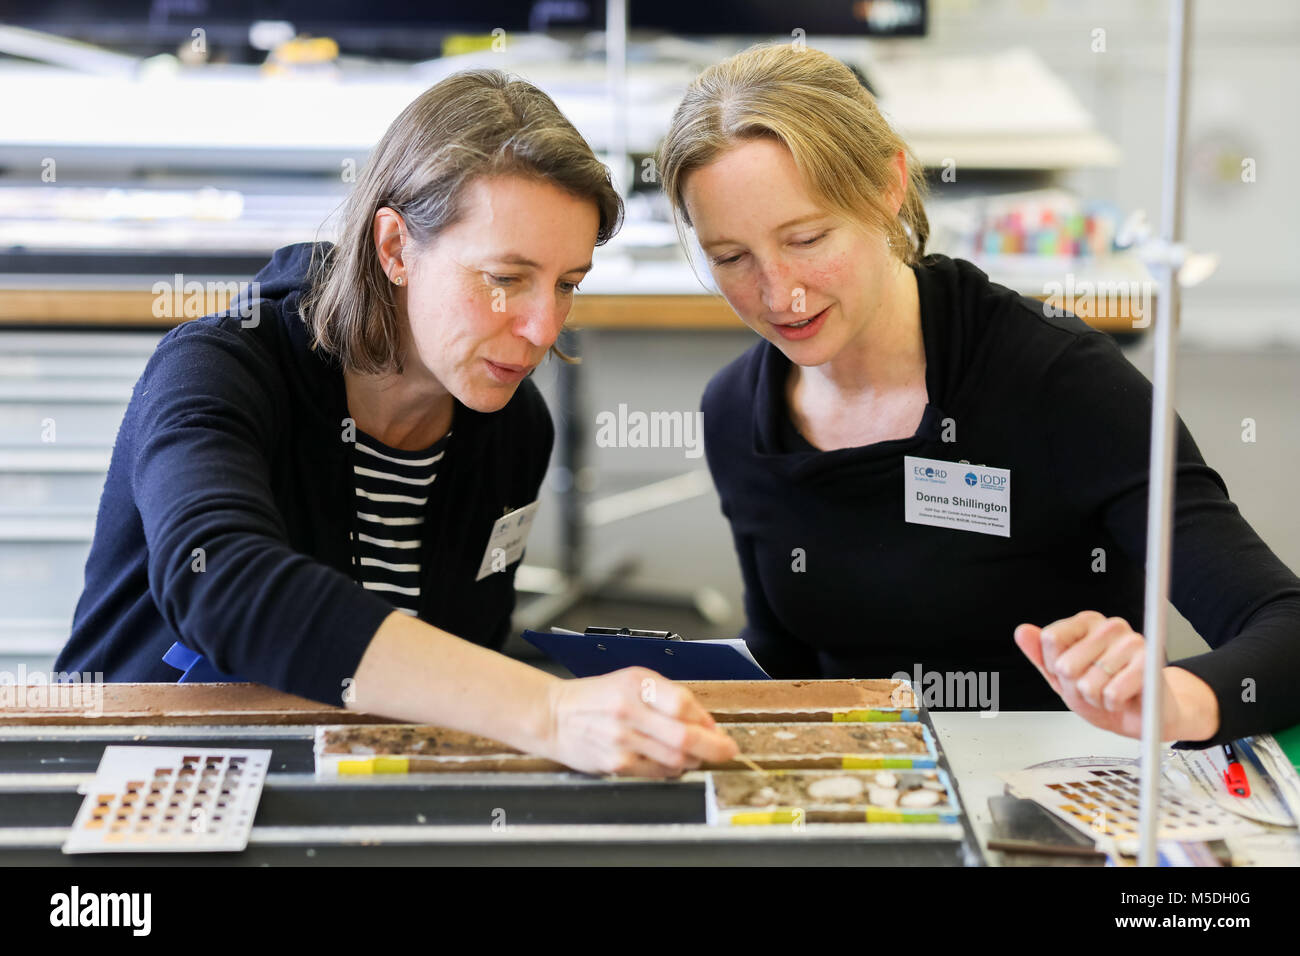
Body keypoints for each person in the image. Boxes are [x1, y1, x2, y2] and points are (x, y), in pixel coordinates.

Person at [57, 69, 736, 776]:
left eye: (567, 284)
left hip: (346, 782)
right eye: (505, 279)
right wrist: (552, 711)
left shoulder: (509, 424)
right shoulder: (221, 367)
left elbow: (462, 662)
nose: (542, 328)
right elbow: (220, 580)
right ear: (394, 249)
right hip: (131, 781)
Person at [657, 43, 1300, 748]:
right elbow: (789, 659)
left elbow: (1284, 626)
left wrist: (1176, 698)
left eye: (806, 238)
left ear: (887, 185)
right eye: (731, 259)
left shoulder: (1060, 382)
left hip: (1055, 799)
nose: (780, 294)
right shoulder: (737, 413)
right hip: (873, 797)